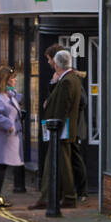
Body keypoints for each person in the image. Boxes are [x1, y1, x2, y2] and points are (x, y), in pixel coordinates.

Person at [30, 49, 80, 209]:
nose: (49, 63)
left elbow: (62, 107)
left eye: (51, 61)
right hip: (63, 129)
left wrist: (54, 127)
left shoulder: (66, 81)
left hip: (60, 130)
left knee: (57, 164)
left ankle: (53, 198)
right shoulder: (70, 78)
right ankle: (62, 197)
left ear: (57, 63)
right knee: (61, 164)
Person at [44, 42, 89, 203]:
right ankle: (66, 192)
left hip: (71, 126)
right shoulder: (61, 78)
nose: (49, 63)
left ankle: (80, 191)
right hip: (66, 126)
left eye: (50, 59)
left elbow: (81, 101)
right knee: (68, 159)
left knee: (74, 158)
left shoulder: (69, 79)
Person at [0, 65, 23, 208]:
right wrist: (9, 125)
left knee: (1, 166)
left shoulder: (6, 95)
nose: (15, 80)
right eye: (13, 78)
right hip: (0, 138)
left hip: (4, 138)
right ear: (6, 80)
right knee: (0, 167)